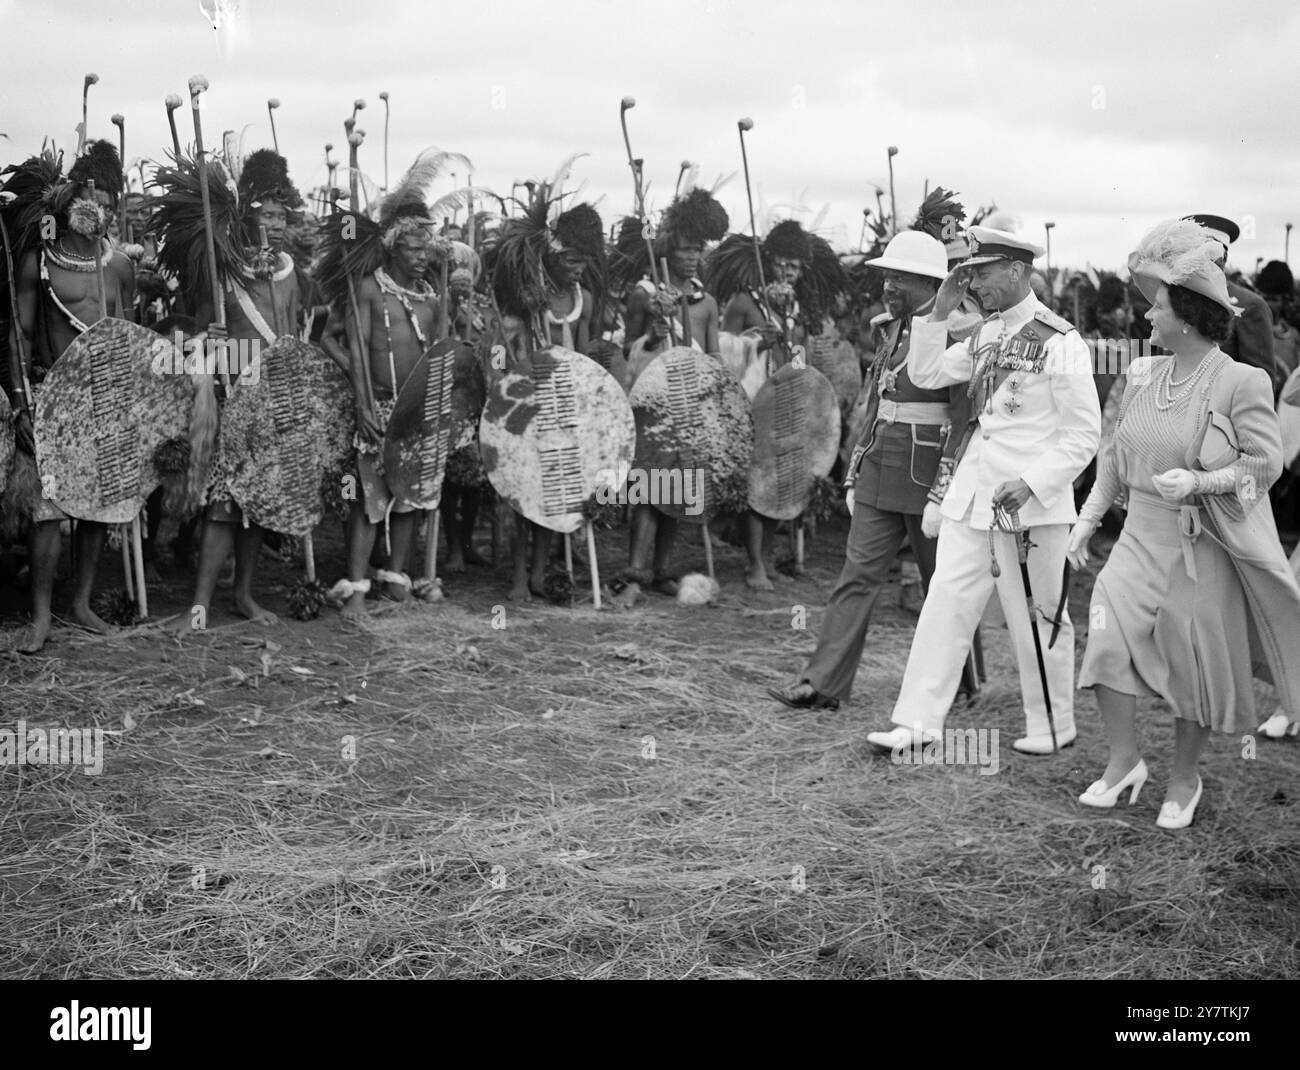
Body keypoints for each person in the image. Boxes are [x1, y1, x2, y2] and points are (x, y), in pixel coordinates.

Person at [1068, 219, 1300, 826]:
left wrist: (1203, 481)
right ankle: (1124, 763)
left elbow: (1267, 464)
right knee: (1107, 645)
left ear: (1190, 316)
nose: (1146, 317)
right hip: (1137, 536)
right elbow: (1115, 456)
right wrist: (1087, 520)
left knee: (1190, 662)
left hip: (1201, 543)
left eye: (1158, 306)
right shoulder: (1142, 373)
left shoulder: (1239, 380)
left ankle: (1183, 778)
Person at [864, 216, 1101, 755]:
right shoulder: (988, 332)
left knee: (1039, 616)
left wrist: (1032, 482)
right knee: (944, 602)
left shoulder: (1060, 341)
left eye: (984, 273)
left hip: (1030, 506)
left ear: (1017, 270)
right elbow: (926, 376)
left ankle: (1051, 725)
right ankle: (918, 722)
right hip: (972, 497)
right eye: (969, 274)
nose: (973, 284)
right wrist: (939, 312)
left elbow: (1084, 434)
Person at [767, 227, 980, 710]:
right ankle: (821, 684)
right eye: (886, 276)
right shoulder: (889, 326)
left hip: (928, 474)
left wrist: (943, 489)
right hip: (881, 467)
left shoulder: (959, 332)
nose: (887, 286)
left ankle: (963, 683)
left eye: (899, 277)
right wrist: (854, 466)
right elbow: (877, 403)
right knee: (856, 576)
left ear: (930, 284)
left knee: (942, 584)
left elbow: (962, 418)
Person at [153, 148, 304, 632]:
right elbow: (193, 332)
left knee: (256, 502)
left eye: (283, 216)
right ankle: (199, 604)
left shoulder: (287, 270)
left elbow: (293, 329)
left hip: (274, 394)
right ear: (247, 216)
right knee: (222, 504)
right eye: (268, 215)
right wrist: (208, 341)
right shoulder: (222, 267)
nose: (277, 224)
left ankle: (242, 593)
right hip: (231, 391)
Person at [5, 140, 136, 652]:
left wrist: (129, 402)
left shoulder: (119, 265)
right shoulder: (39, 261)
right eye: (90, 195)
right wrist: (21, 401)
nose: (97, 208)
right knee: (47, 506)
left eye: (107, 200)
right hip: (50, 394)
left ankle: (80, 603)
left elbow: (127, 337)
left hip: (102, 398)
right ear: (70, 197)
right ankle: (39, 617)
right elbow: (19, 333)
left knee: (99, 505)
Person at [318, 158, 446, 617]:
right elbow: (333, 339)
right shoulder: (369, 289)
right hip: (376, 406)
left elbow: (441, 357)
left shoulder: (431, 298)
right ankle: (354, 587)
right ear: (393, 247)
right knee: (370, 500)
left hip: (416, 412)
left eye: (425, 248)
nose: (421, 255)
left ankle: (395, 578)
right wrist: (362, 399)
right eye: (412, 248)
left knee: (409, 497)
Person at [613, 186, 728, 594]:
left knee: (680, 486)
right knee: (649, 486)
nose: (692, 255)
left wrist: (717, 398)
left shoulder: (706, 302)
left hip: (691, 406)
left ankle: (661, 569)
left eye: (698, 248)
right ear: (667, 249)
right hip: (655, 404)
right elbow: (627, 349)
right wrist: (652, 336)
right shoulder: (645, 295)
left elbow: (713, 356)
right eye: (684, 248)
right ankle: (634, 572)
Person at [1184, 214, 1280, 394]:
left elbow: (1261, 383)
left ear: (1223, 257)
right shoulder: (1176, 298)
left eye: (1205, 253)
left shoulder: (1249, 305)